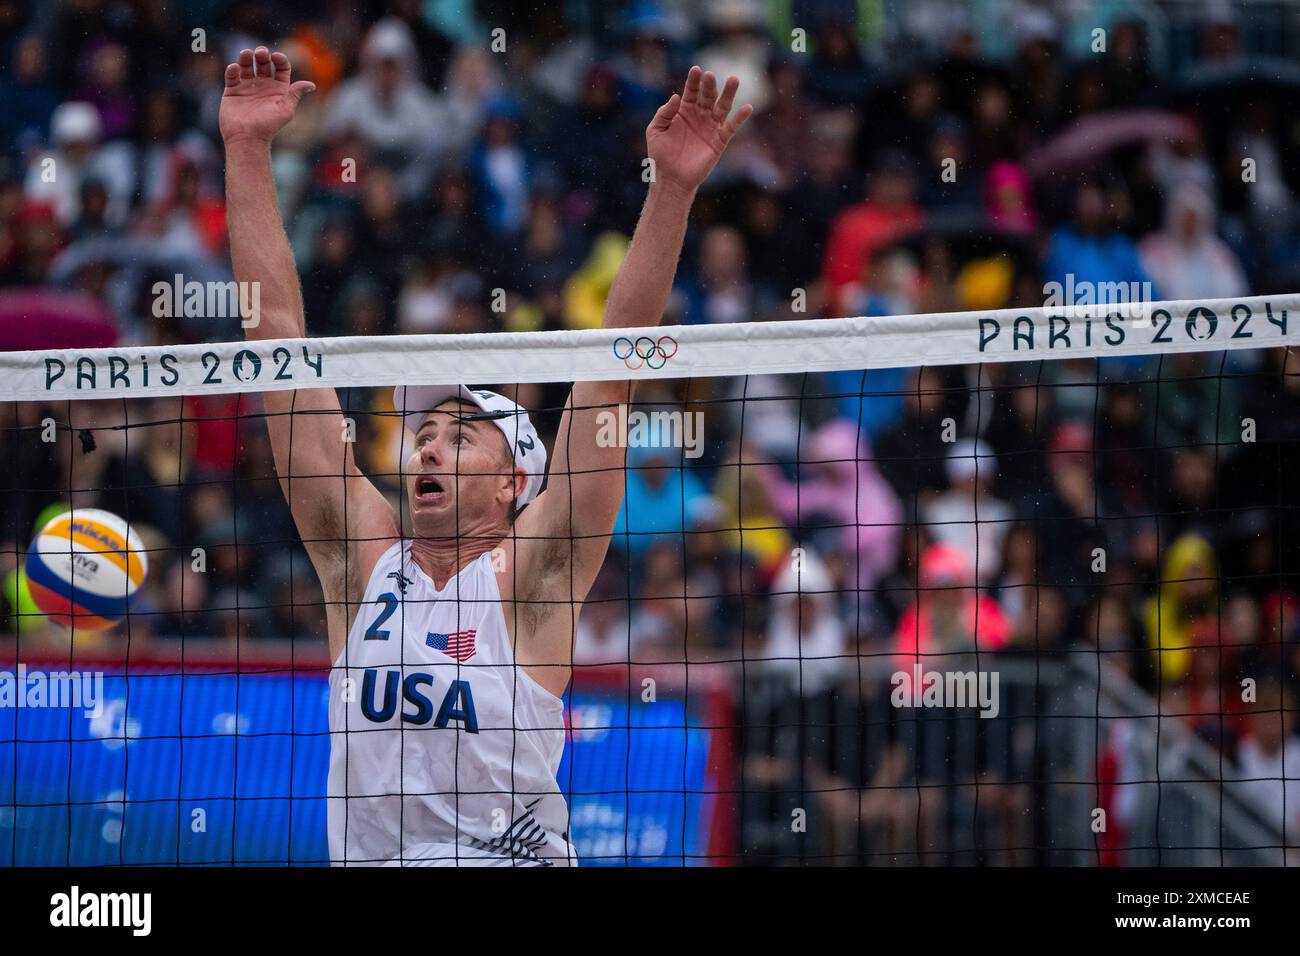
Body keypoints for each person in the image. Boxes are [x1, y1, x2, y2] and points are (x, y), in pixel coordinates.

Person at [219, 46, 751, 866]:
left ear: (514, 483)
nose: (427, 444)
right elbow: (279, 347)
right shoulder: (364, 563)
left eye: (459, 435)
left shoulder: (533, 573)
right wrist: (248, 151)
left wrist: (672, 190)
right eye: (423, 433)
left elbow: (611, 377)